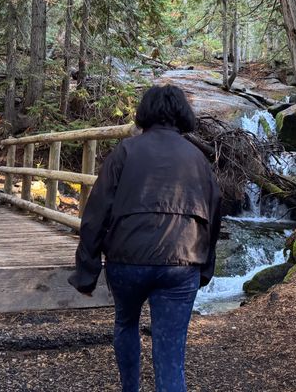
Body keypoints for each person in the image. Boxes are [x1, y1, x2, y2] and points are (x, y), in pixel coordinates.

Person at [69, 85, 222, 392]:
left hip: (127, 261)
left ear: (145, 112)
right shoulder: (198, 159)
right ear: (183, 114)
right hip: (182, 264)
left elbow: (95, 214)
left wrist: (87, 272)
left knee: (126, 323)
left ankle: (131, 388)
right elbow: (214, 216)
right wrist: (205, 267)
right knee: (171, 351)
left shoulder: (125, 151)